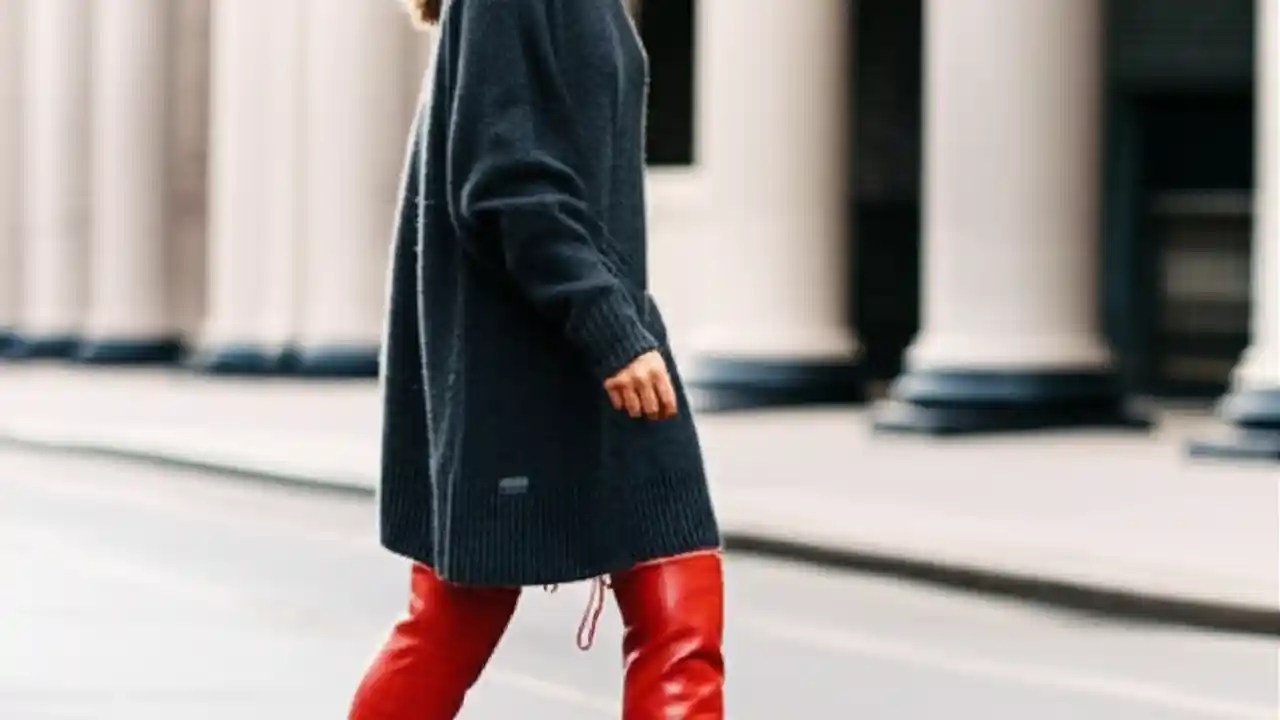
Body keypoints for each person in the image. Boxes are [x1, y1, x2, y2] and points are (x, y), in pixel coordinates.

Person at [348, 0, 724, 717]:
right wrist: (608, 327)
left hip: (594, 333)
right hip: (531, 354)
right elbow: (506, 179)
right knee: (454, 615)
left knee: (679, 601)